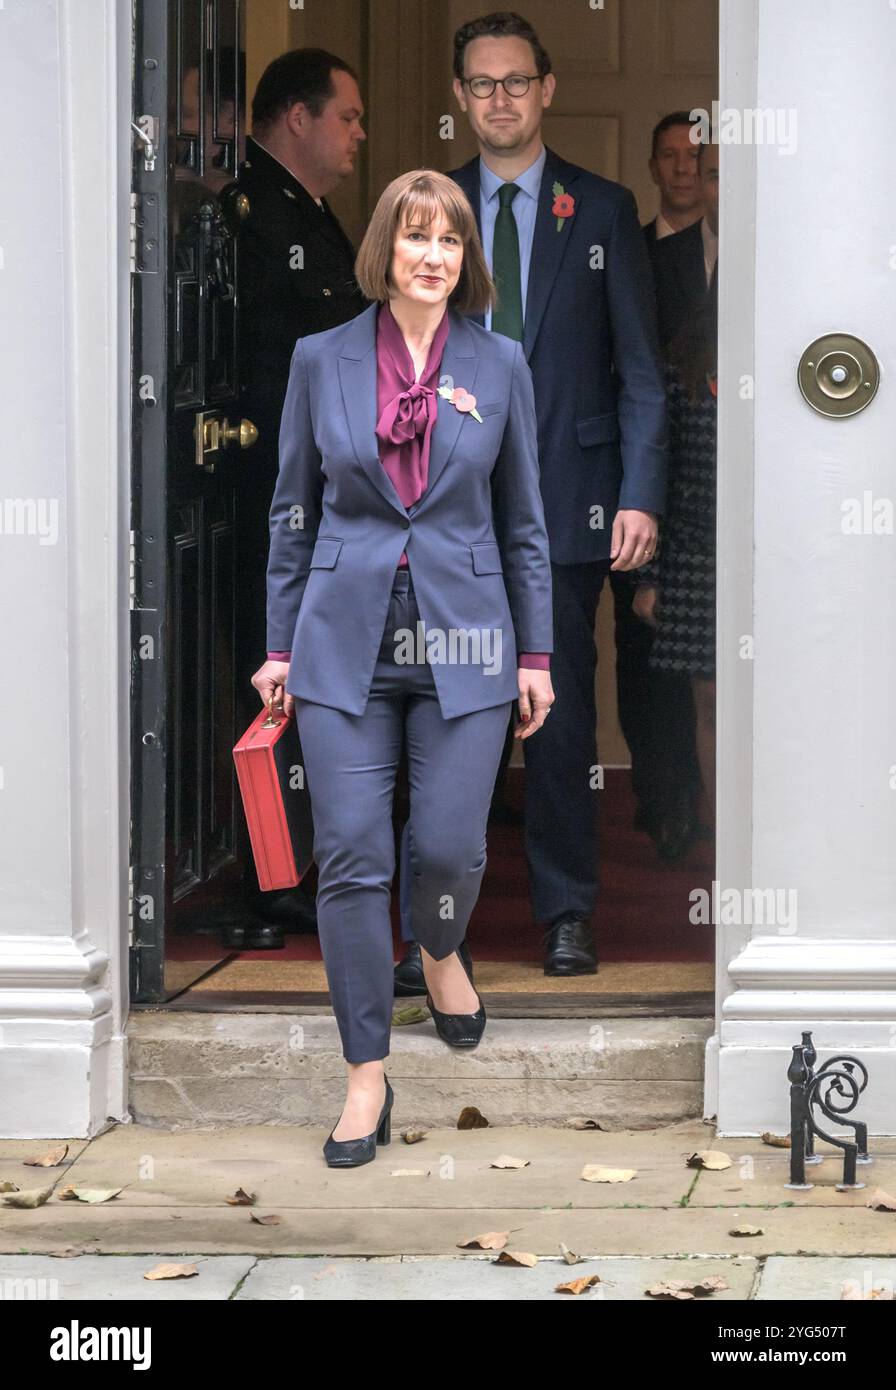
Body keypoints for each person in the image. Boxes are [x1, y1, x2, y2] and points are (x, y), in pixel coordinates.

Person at [251, 169, 554, 1166]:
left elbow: (522, 526)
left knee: (445, 850)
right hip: (344, 640)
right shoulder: (320, 359)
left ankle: (435, 943)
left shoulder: (500, 363)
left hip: (466, 642)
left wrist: (536, 652)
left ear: (465, 261)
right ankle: (364, 1076)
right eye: (415, 237)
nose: (432, 256)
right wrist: (279, 643)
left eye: (450, 242)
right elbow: (292, 508)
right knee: (348, 853)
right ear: (383, 248)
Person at [395, 11, 666, 988]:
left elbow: (639, 371)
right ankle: (433, 932)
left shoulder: (597, 210)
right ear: (458, 98)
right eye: (480, 84)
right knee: (439, 717)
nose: (498, 99)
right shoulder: (429, 210)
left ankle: (564, 914)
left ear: (545, 89)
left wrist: (638, 494)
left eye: (515, 81)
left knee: (556, 718)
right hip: (444, 512)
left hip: (571, 501)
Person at [231, 48, 368, 948]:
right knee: (268, 675)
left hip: (317, 491)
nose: (360, 132)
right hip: (265, 493)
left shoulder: (312, 216)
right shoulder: (248, 216)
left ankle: (294, 857)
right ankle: (268, 875)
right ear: (297, 119)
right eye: (348, 116)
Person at [632, 280, 719, 834]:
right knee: (711, 701)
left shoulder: (793, 365)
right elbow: (658, 478)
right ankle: (722, 831)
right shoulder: (682, 370)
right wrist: (650, 574)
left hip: (782, 557)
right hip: (695, 562)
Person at [650, 135, 719, 349]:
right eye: (715, 177)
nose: (729, 190)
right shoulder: (654, 258)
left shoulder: (784, 259)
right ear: (698, 181)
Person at [642, 111, 705, 246]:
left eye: (694, 155)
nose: (681, 168)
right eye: (669, 155)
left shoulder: (735, 248)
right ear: (654, 169)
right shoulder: (629, 247)